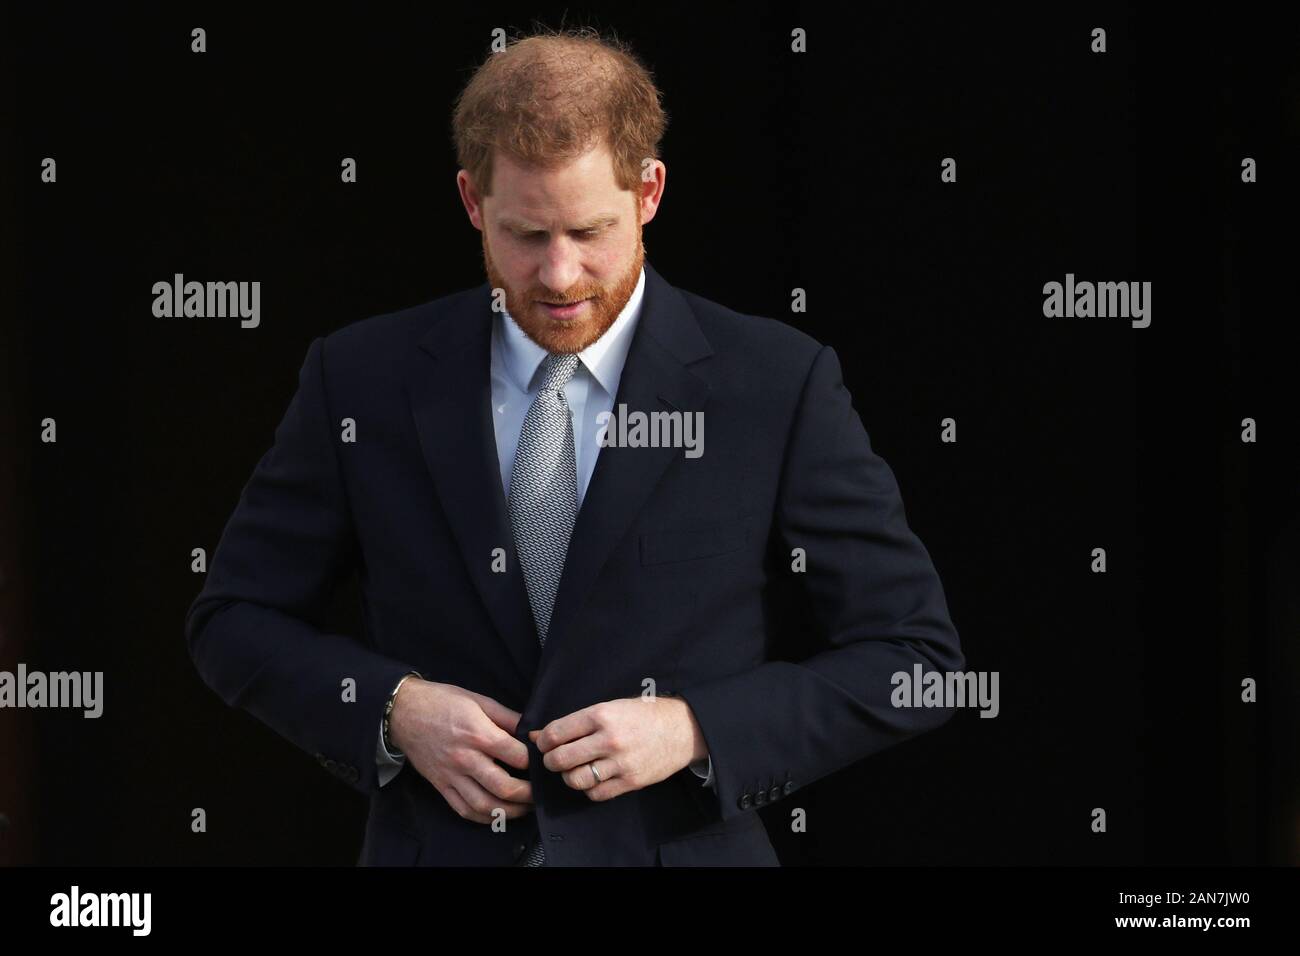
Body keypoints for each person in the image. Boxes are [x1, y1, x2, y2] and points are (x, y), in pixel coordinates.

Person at [184, 26, 965, 867]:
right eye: (525, 236)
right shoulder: (359, 379)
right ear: (471, 203)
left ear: (650, 192)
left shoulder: (776, 383)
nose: (559, 276)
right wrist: (393, 711)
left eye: (589, 231)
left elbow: (913, 659)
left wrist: (695, 729)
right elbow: (232, 621)